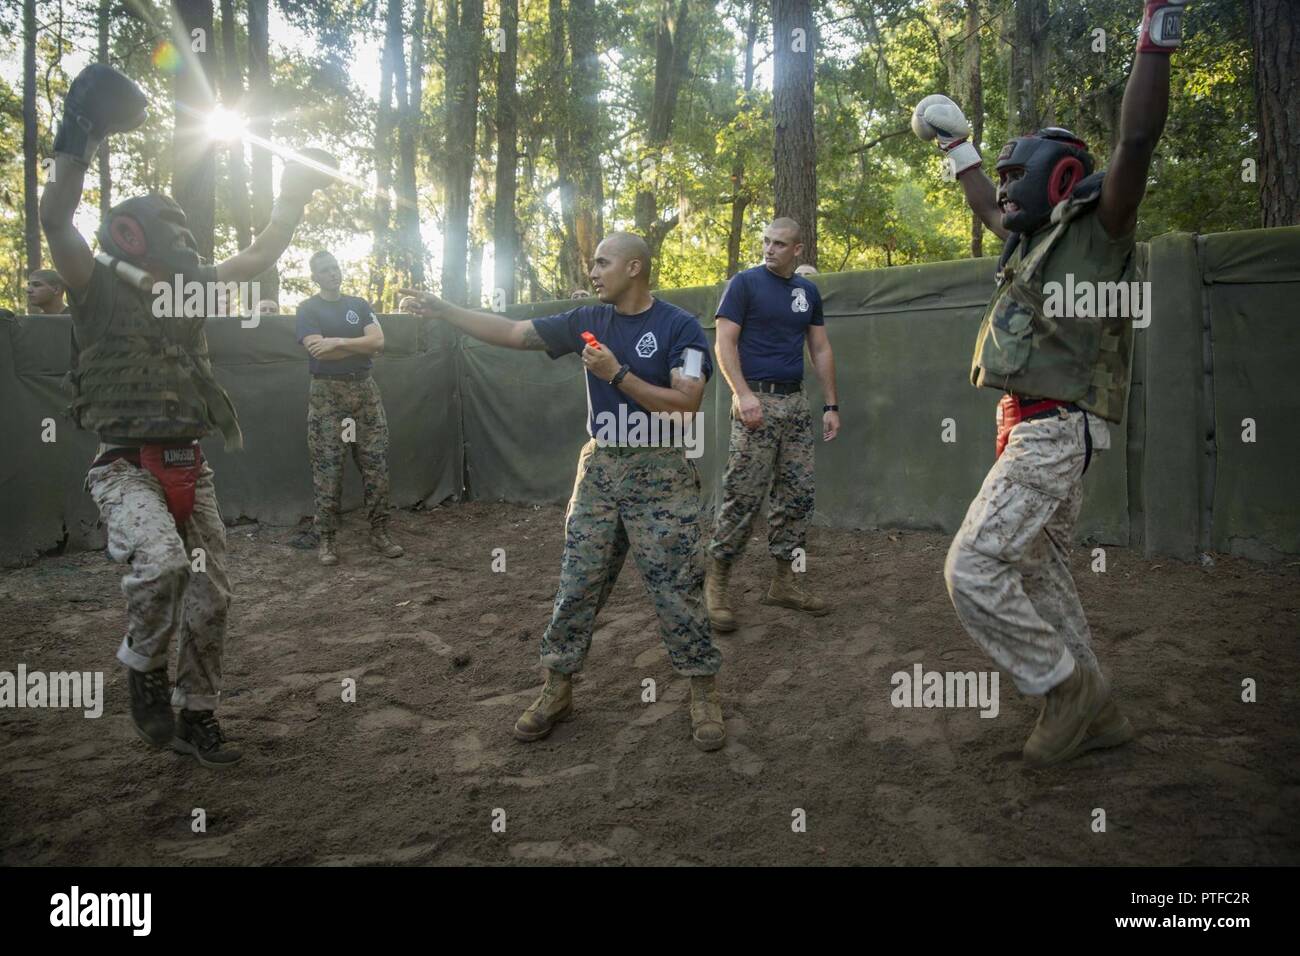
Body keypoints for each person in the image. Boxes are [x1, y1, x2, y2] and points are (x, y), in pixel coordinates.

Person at [913, 0, 1185, 767]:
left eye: (1012, 176)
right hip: (1034, 425)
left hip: (1055, 428)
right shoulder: (1033, 243)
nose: (1001, 190)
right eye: (997, 178)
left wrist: (1155, 29)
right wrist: (960, 148)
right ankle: (1098, 708)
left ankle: (1065, 692)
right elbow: (984, 204)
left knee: (972, 567)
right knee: (1039, 566)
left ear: (1061, 177)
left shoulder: (1099, 229)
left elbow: (1137, 138)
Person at [39, 63, 334, 768]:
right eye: (168, 225)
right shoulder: (94, 286)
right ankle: (141, 662)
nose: (186, 236)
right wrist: (75, 133)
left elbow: (260, 253)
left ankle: (195, 716)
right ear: (133, 234)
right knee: (164, 565)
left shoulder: (193, 289)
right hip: (125, 469)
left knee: (211, 598)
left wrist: (292, 191)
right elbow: (54, 217)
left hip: (188, 467)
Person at [399, 232, 727, 751]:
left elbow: (686, 405)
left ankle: (703, 693)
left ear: (635, 267)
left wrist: (616, 374)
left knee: (676, 589)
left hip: (660, 472)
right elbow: (511, 331)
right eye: (592, 263)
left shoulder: (679, 327)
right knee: (578, 584)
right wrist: (446, 310)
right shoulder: (585, 321)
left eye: (603, 262)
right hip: (600, 472)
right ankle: (557, 688)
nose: (593, 271)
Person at [704, 218, 840, 632]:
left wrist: (831, 404)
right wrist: (743, 394)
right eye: (766, 242)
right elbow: (724, 341)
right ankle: (717, 584)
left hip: (795, 402)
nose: (769, 249)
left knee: (797, 496)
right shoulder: (744, 284)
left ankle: (784, 583)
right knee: (742, 496)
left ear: (798, 249)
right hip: (755, 400)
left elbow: (819, 347)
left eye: (779, 244)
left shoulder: (807, 292)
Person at [295, 251, 402, 565]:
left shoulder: (359, 305)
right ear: (315, 276)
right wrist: (355, 345)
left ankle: (380, 531)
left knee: (376, 466)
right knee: (328, 469)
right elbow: (319, 352)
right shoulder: (308, 309)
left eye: (335, 267)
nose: (333, 273)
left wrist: (338, 342)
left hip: (365, 392)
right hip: (327, 395)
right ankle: (327, 538)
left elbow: (379, 343)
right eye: (325, 270)